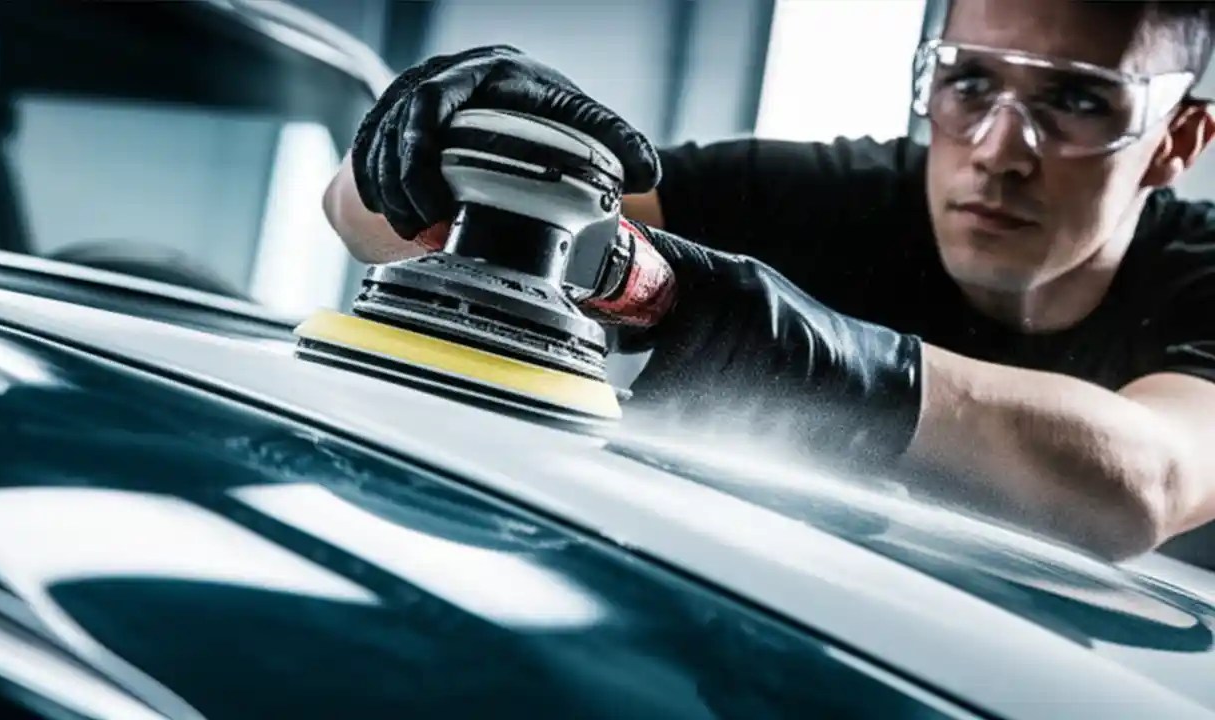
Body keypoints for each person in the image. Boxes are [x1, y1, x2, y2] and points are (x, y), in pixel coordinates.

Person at [323, 0, 1215, 562]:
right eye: (969, 82)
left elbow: (1147, 483)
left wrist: (817, 360)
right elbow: (380, 229)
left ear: (1177, 141)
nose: (997, 150)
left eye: (1078, 101)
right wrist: (439, 133)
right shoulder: (833, 195)